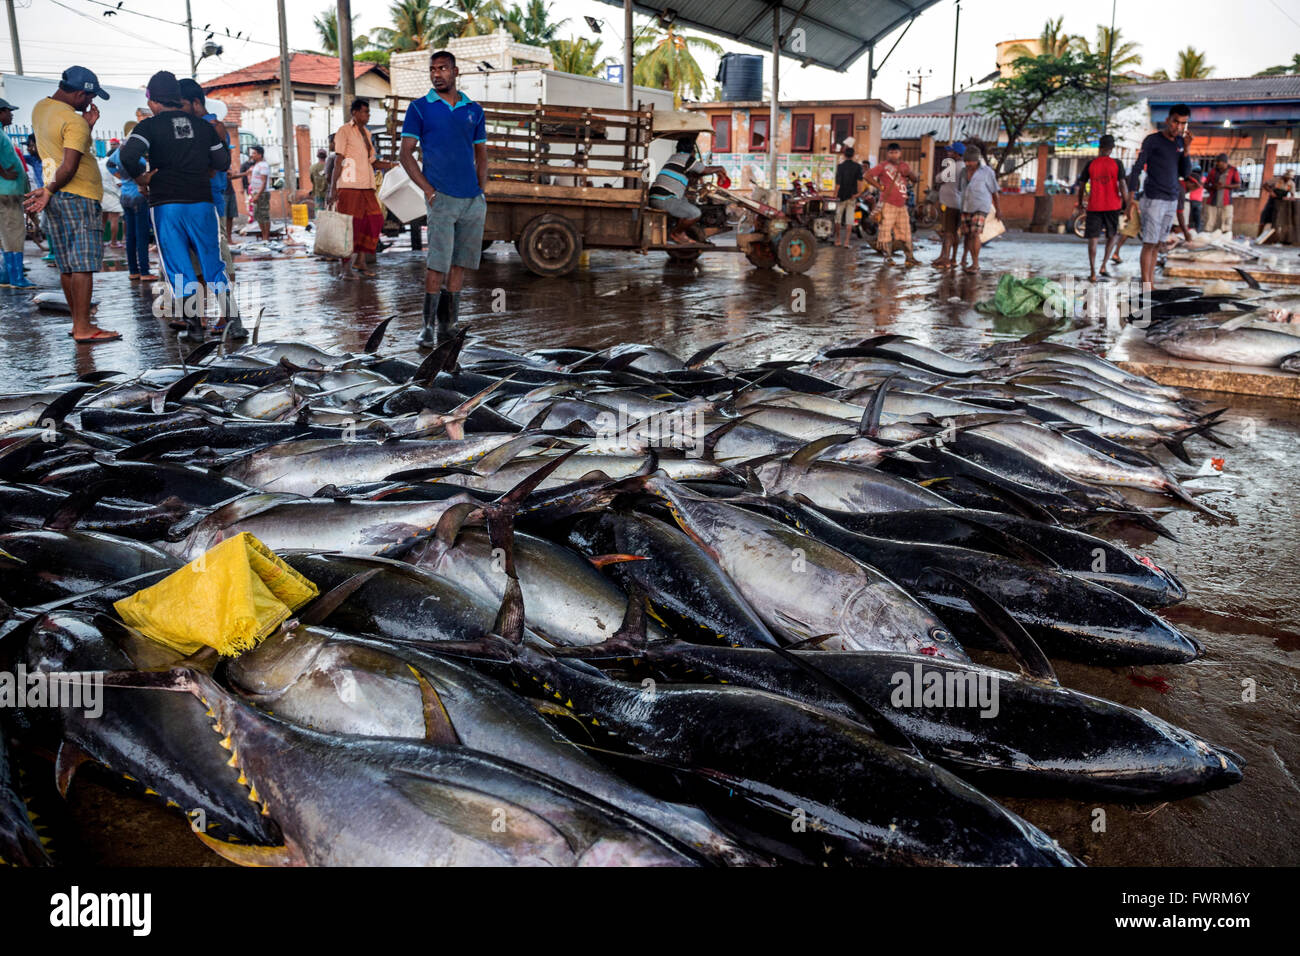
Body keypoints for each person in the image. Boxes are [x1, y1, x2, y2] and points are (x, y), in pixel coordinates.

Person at [118, 70, 233, 342]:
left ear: (152, 100)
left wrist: (140, 177)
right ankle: (234, 321)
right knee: (212, 262)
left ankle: (194, 327)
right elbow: (222, 163)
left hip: (167, 206)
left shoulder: (148, 127)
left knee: (178, 266)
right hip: (202, 204)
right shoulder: (203, 127)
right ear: (177, 97)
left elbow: (127, 155)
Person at [399, 49, 489, 348]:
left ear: (455, 71)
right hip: (441, 197)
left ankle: (449, 325)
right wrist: (427, 189)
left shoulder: (473, 110)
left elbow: (482, 154)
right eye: (433, 69)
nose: (437, 74)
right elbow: (405, 153)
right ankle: (426, 327)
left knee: (460, 263)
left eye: (443, 68)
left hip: (471, 199)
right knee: (437, 264)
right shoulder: (420, 108)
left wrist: (481, 190)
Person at [24, 65, 119, 343]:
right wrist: (50, 188)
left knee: (67, 264)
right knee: (83, 265)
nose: (90, 103)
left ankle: (79, 323)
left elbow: (57, 147)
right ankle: (83, 327)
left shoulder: (41, 109)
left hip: (56, 196)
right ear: (79, 94)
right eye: (89, 97)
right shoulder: (73, 121)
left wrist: (86, 128)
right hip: (78, 195)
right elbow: (70, 164)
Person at [178, 77, 243, 337]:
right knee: (199, 265)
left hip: (208, 201)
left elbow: (216, 165)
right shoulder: (192, 126)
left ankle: (229, 316)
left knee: (218, 263)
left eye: (181, 104)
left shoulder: (212, 127)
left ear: (195, 102)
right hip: (193, 202)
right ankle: (204, 316)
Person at [1127, 104, 1193, 290]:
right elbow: (1138, 167)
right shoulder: (1152, 140)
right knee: (1149, 243)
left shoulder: (1181, 143)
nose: (1178, 127)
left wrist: (1187, 149)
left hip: (1171, 198)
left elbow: (1185, 173)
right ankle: (1146, 285)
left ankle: (1151, 284)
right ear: (1168, 120)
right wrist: (1130, 197)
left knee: (1158, 244)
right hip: (1154, 197)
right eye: (1175, 122)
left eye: (1183, 124)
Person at [329, 98, 393, 278]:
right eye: (365, 112)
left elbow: (372, 161)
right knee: (350, 227)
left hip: (366, 186)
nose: (368, 115)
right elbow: (338, 159)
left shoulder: (367, 133)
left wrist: (394, 165)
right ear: (355, 113)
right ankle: (346, 269)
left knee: (374, 220)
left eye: (368, 112)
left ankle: (360, 260)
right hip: (349, 186)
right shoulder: (344, 131)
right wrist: (332, 189)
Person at [648, 134, 725, 245]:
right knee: (695, 213)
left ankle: (681, 232)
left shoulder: (674, 158)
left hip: (658, 197)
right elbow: (704, 170)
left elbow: (693, 175)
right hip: (664, 199)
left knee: (685, 200)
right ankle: (677, 233)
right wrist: (720, 168)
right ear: (692, 150)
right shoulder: (686, 158)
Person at [1075, 134, 1130, 282]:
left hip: (1094, 206)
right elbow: (1123, 186)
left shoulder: (1090, 164)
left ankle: (1093, 273)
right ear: (1111, 149)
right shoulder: (1117, 164)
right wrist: (1128, 205)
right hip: (1113, 206)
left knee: (1093, 239)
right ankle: (1104, 265)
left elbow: (1081, 187)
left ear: (1100, 147)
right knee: (1113, 235)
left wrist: (1080, 203)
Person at [105, 121, 154, 282]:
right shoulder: (135, 150)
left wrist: (122, 178)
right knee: (141, 235)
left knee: (130, 235)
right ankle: (145, 271)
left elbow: (110, 164)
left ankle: (133, 271)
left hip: (125, 194)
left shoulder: (120, 149)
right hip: (137, 195)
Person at [863, 142, 920, 265]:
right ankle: (888, 258)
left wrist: (909, 173)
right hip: (887, 203)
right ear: (887, 153)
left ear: (900, 153)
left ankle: (909, 258)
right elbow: (867, 175)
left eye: (896, 152)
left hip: (901, 205)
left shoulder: (905, 165)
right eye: (891, 153)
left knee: (905, 231)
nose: (893, 155)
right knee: (885, 231)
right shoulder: (882, 166)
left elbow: (915, 179)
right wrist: (879, 186)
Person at [0, 97, 34, 289]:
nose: (11, 114)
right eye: (8, 111)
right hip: (6, 192)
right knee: (13, 234)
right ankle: (16, 278)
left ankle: (6, 275)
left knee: (7, 234)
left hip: (8, 191)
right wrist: (4, 172)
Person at [955, 146, 1001, 275]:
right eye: (966, 161)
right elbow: (960, 190)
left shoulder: (987, 172)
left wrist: (998, 210)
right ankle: (965, 258)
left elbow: (995, 192)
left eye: (971, 161)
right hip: (965, 207)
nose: (968, 164)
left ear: (977, 160)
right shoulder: (963, 172)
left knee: (975, 234)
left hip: (981, 207)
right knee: (967, 234)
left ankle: (975, 264)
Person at [932, 141, 965, 269]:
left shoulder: (954, 167)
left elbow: (938, 178)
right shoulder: (963, 167)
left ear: (956, 154)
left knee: (948, 233)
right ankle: (952, 258)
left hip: (949, 204)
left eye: (950, 151)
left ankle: (945, 259)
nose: (948, 153)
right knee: (953, 232)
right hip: (958, 203)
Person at [831, 146, 864, 248]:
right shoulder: (858, 167)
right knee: (850, 220)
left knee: (838, 219)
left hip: (841, 196)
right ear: (853, 155)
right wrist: (858, 194)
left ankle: (837, 240)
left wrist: (835, 195)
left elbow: (838, 183)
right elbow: (860, 182)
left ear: (844, 155)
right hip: (852, 196)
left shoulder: (840, 167)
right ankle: (846, 242)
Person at [1202, 153, 1241, 235]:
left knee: (1227, 222)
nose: (1217, 164)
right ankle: (1207, 237)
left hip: (1227, 201)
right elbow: (1205, 184)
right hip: (1212, 200)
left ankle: (1225, 237)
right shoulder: (1213, 171)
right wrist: (1213, 187)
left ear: (1224, 162)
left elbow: (1238, 184)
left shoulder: (1233, 170)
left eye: (1218, 162)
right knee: (1209, 221)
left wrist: (1224, 186)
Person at [99, 138, 123, 248]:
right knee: (114, 219)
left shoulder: (99, 163)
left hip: (101, 194)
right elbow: (118, 183)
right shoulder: (113, 163)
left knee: (103, 220)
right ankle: (113, 242)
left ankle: (100, 242)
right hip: (113, 195)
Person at [246, 145, 271, 241]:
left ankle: (266, 237)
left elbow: (264, 182)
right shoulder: (256, 165)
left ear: (260, 155)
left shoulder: (263, 165)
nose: (252, 155)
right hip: (255, 192)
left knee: (264, 214)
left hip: (262, 193)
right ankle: (263, 235)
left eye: (254, 153)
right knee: (258, 215)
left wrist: (258, 195)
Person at [1184, 165, 1204, 233]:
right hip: (1198, 201)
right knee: (1197, 219)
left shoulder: (1192, 179)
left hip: (1191, 200)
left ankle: (1189, 231)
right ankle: (1196, 232)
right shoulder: (1203, 178)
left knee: (1189, 218)